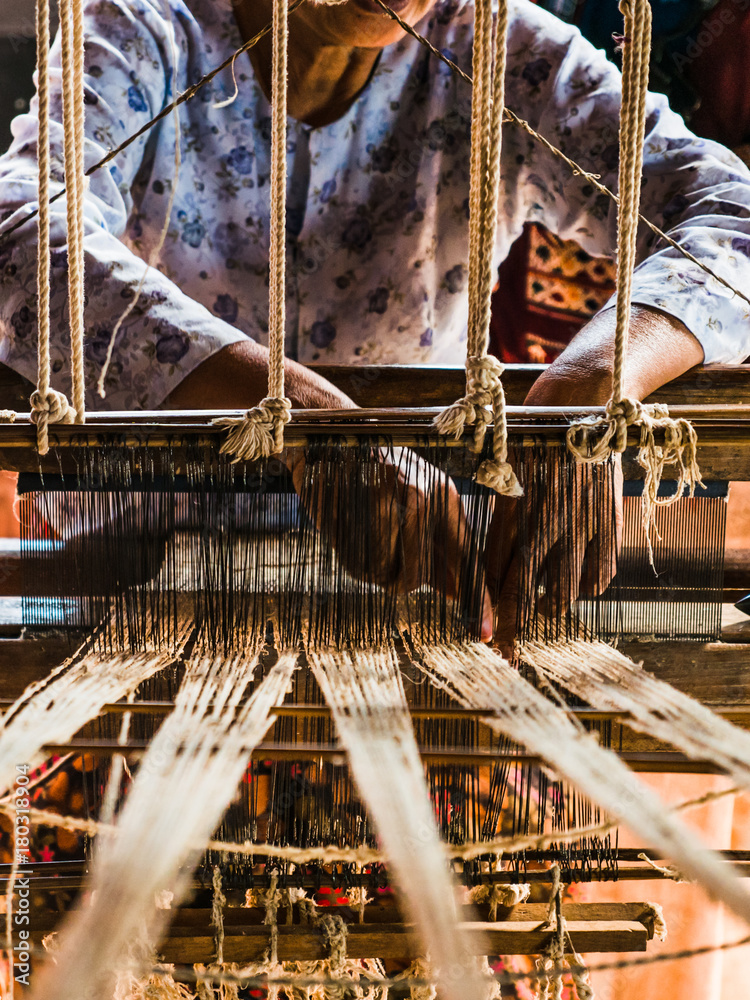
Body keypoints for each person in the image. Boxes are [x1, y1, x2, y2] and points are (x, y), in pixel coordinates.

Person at [0, 0, 749, 642]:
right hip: (142, 574)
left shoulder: (495, 45)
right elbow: (18, 231)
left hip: (422, 574)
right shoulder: (145, 25)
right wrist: (309, 428)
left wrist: (588, 388)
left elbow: (731, 216)